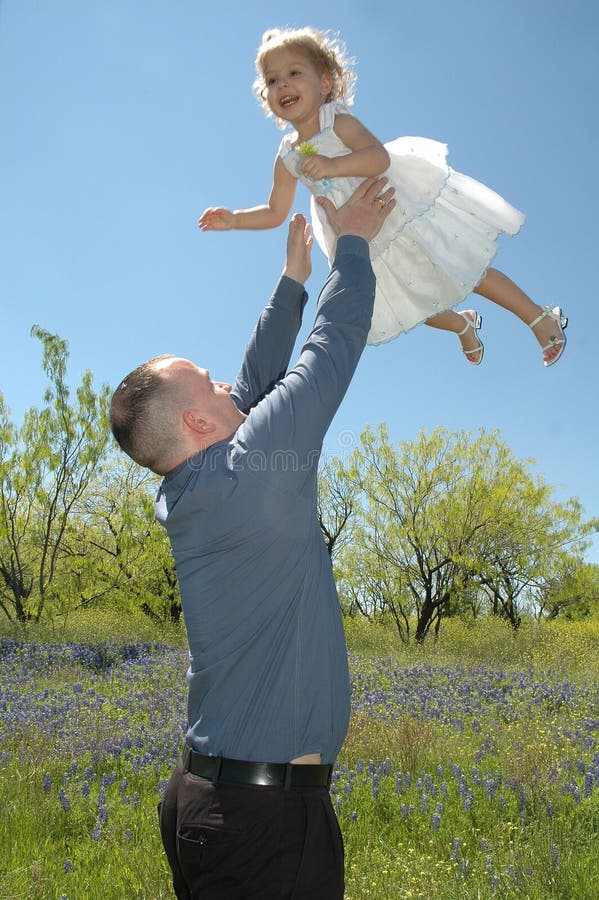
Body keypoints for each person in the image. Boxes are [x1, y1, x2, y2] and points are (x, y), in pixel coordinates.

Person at [110, 176, 396, 899]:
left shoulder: (192, 488)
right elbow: (324, 359)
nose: (225, 384)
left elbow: (251, 382)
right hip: (260, 823)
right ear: (198, 426)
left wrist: (292, 280)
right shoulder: (253, 477)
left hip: (211, 801)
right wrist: (353, 244)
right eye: (205, 383)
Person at [198, 26, 568, 368]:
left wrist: (332, 166)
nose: (283, 85)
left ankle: (538, 317)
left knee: (466, 273)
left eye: (295, 73)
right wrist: (234, 219)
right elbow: (275, 211)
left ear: (325, 82)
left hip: (391, 208)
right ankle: (462, 325)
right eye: (273, 80)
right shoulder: (287, 155)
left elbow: (378, 157)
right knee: (409, 299)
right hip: (357, 234)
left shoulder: (335, 122)